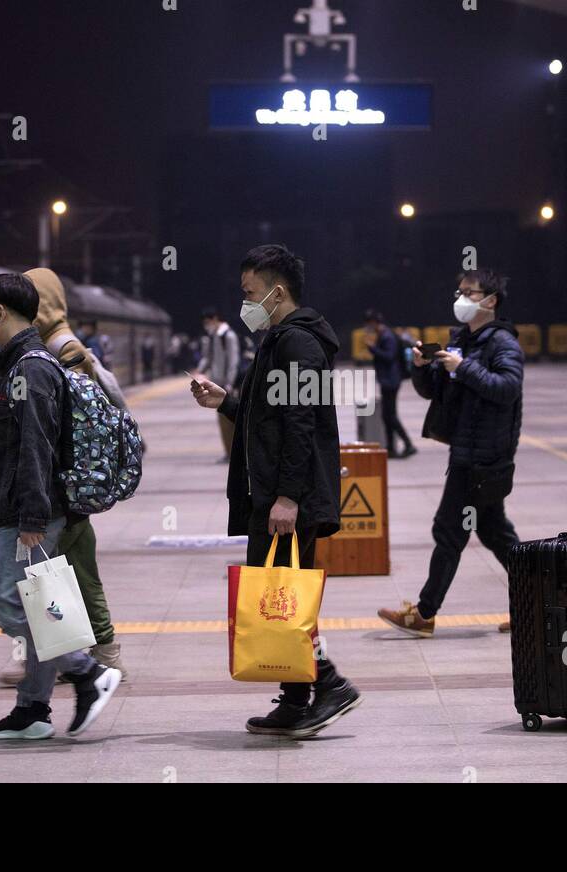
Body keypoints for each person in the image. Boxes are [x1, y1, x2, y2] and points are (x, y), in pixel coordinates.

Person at [189, 243, 361, 738]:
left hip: (290, 500)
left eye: (249, 292)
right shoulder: (278, 340)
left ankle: (330, 684)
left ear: (276, 292)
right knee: (281, 597)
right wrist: (226, 402)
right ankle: (294, 698)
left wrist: (288, 496)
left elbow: (300, 425)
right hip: (275, 496)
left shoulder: (298, 345)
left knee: (284, 601)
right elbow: (268, 415)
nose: (243, 302)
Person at [0, 273, 121, 740]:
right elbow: (7, 440)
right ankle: (33, 710)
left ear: (1, 311)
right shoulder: (19, 364)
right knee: (39, 605)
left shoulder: (31, 368)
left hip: (31, 513)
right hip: (22, 507)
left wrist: (33, 516)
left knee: (7, 600)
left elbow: (36, 446)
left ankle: (85, 670)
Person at [378, 270, 522, 636]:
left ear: (490, 301)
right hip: (468, 452)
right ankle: (542, 606)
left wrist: (465, 367)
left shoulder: (502, 343)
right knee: (494, 533)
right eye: (459, 291)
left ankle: (424, 613)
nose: (461, 298)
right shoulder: (461, 340)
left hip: (483, 459)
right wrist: (423, 368)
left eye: (469, 293)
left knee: (449, 531)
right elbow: (435, 392)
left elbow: (507, 388)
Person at [12, 266, 130, 682]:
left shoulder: (65, 350)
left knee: (53, 570)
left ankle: (82, 658)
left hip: (67, 480)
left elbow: (72, 421)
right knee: (74, 568)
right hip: (69, 479)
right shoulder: (59, 343)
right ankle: (89, 655)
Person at [363, 309, 416, 459]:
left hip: (391, 381)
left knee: (390, 416)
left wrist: (372, 348)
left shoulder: (387, 336)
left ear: (373, 322)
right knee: (387, 416)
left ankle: (408, 444)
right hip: (388, 380)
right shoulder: (384, 334)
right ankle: (391, 447)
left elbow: (389, 356)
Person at [196, 307, 240, 463]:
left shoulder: (228, 335)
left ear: (215, 319)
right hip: (217, 383)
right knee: (223, 421)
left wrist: (230, 383)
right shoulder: (213, 336)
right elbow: (208, 358)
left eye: (208, 322)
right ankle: (228, 453)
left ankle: (234, 454)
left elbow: (233, 362)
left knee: (231, 421)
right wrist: (199, 372)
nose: (207, 325)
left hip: (229, 385)